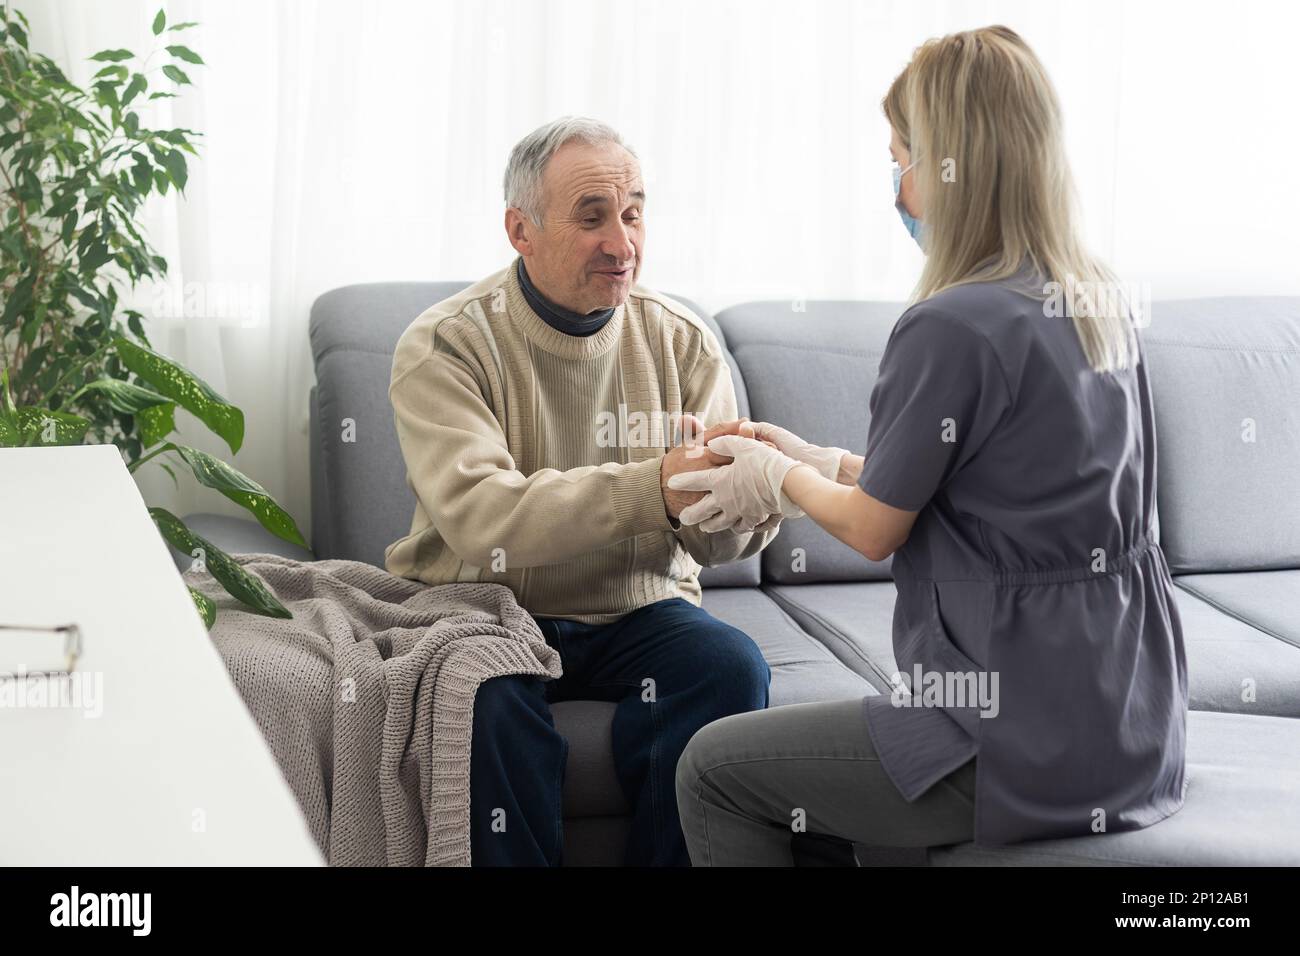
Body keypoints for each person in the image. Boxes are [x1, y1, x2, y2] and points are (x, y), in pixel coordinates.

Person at [671, 25, 1188, 865]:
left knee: (710, 769)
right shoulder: (1093, 301)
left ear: (958, 165)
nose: (897, 186)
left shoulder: (952, 324)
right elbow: (988, 496)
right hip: (1131, 728)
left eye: (903, 157)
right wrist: (816, 461)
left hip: (1015, 741)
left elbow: (877, 529)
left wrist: (775, 480)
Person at [385, 117, 782, 866]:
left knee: (728, 666)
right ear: (520, 230)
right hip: (490, 605)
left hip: (640, 606)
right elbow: (483, 518)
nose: (622, 243)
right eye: (593, 216)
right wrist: (655, 488)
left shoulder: (682, 341)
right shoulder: (445, 345)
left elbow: (721, 544)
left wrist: (731, 499)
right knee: (483, 702)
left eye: (633, 213)